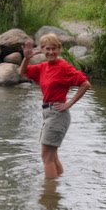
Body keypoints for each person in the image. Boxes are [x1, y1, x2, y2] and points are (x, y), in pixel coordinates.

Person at [20, 33, 91, 179]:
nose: (51, 52)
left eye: (54, 49)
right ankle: (58, 186)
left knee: (46, 157)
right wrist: (27, 58)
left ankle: (49, 196)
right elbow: (22, 72)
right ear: (42, 49)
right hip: (47, 114)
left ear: (59, 49)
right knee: (52, 157)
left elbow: (85, 84)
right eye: (47, 49)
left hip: (58, 115)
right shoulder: (43, 67)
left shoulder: (64, 67)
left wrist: (69, 103)